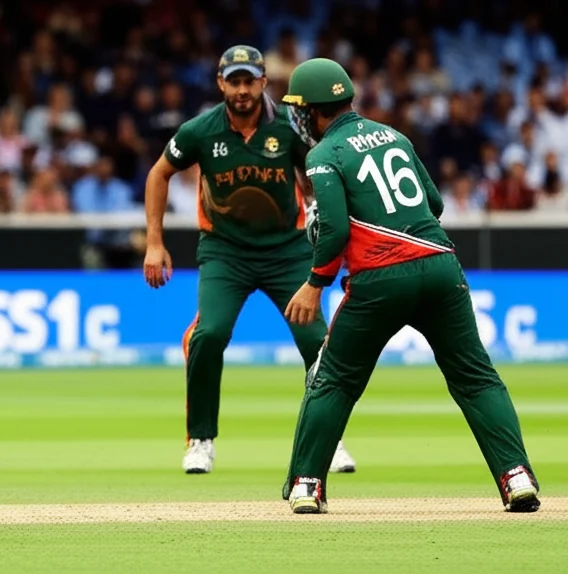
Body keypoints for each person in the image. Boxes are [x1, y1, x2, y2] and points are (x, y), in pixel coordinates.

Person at [279, 58, 540, 514]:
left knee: (333, 379)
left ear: (314, 110)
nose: (297, 117)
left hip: (380, 280)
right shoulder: (395, 136)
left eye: (299, 108)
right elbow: (434, 203)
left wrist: (314, 284)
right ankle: (516, 476)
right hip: (441, 267)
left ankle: (306, 484)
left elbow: (336, 230)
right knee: (476, 378)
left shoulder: (323, 155)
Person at [143, 46, 355, 475]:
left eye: (249, 81)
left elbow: (320, 171)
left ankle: (329, 441)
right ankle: (200, 440)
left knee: (317, 340)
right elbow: (158, 173)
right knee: (208, 334)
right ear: (221, 83)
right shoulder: (201, 130)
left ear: (263, 82)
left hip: (288, 250)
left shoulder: (291, 129)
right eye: (233, 81)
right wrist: (154, 242)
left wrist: (320, 208)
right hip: (226, 251)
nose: (242, 90)